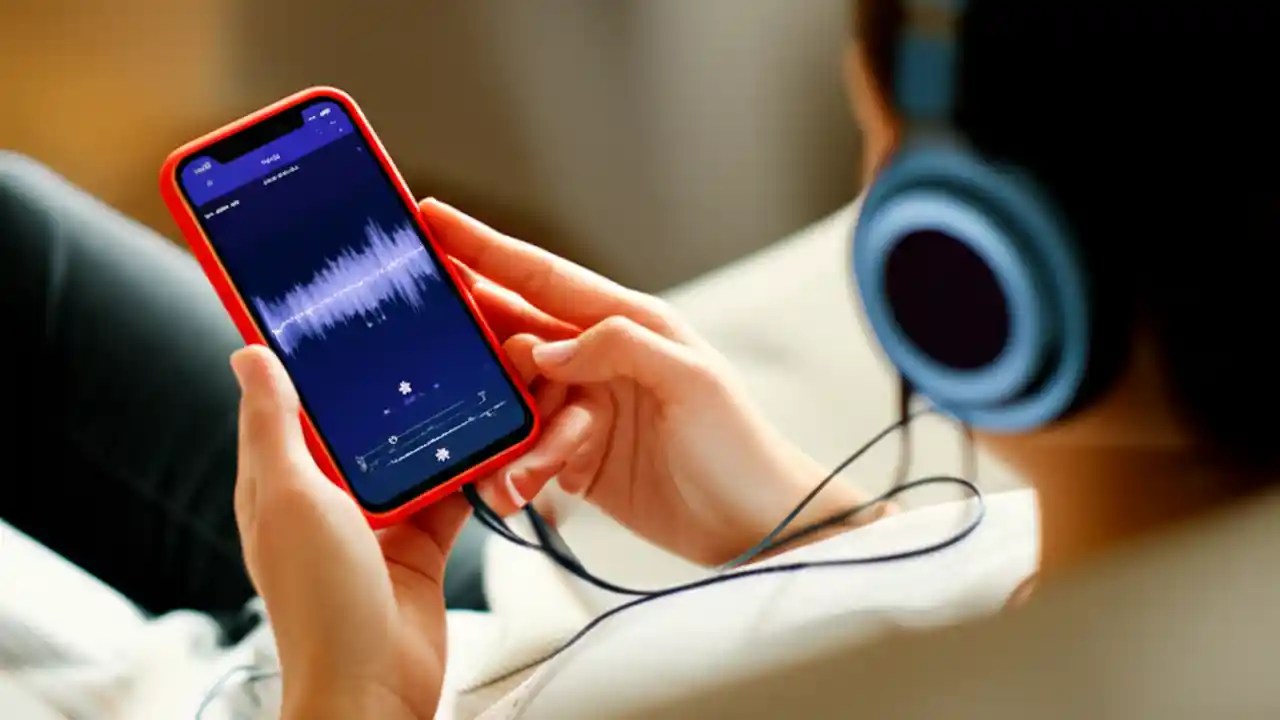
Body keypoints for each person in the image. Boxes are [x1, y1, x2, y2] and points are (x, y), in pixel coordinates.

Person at [3, 1, 1276, 718]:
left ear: (959, 289)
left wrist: (356, 690)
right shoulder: (1196, 551)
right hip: (475, 617)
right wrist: (791, 523)